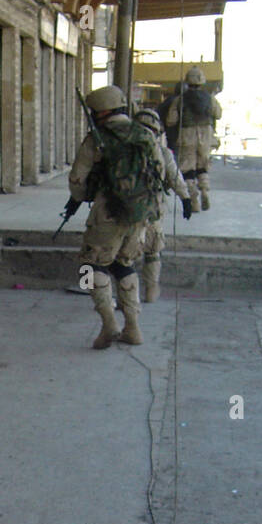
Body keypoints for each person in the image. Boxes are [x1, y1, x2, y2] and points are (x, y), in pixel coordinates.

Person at [68, 85, 157, 348]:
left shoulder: (96, 138)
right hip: (140, 213)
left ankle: (108, 324)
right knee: (124, 264)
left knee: (91, 265)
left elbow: (77, 179)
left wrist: (84, 196)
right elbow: (159, 172)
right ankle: (133, 327)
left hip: (107, 212)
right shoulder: (145, 134)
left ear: (100, 111)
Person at [133, 107, 191, 304]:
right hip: (152, 208)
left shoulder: (119, 147)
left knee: (122, 257)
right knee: (152, 250)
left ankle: (123, 296)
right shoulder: (163, 152)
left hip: (121, 210)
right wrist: (186, 199)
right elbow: (175, 178)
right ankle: (150, 289)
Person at [165, 66, 222, 213]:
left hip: (187, 134)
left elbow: (171, 120)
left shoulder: (180, 100)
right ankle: (204, 190)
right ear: (202, 81)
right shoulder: (210, 98)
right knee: (202, 165)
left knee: (187, 167)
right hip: (206, 133)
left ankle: (193, 197)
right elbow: (218, 114)